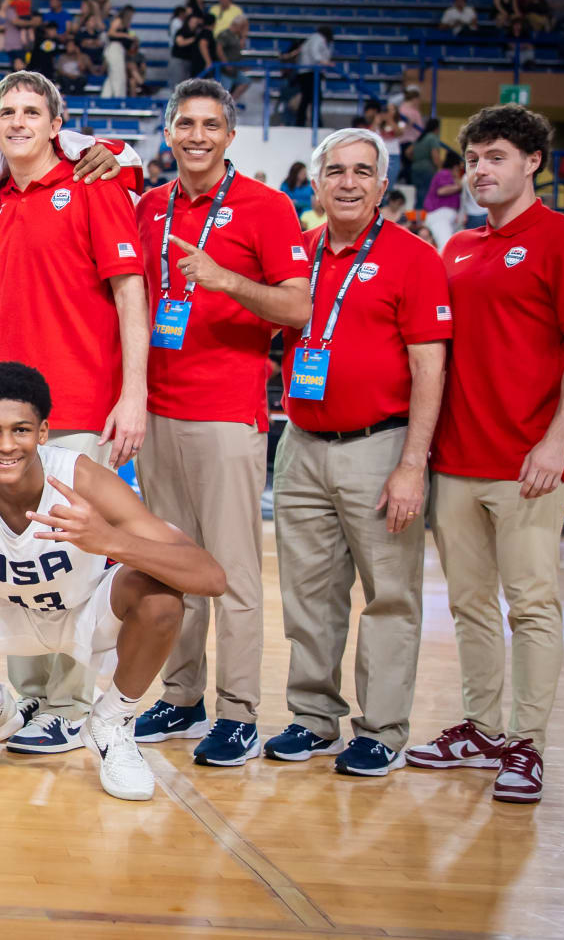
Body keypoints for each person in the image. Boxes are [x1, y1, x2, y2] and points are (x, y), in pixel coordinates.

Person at [0, 362, 228, 800]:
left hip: (85, 617)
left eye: (20, 430)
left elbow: (210, 577)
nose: (6, 445)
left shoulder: (82, 479)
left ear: (43, 433)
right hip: (3, 617)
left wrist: (109, 540)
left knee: (161, 595)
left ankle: (112, 722)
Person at [409, 104, 564, 804]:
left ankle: (528, 743)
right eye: (472, 160)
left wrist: (555, 440)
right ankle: (483, 728)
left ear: (533, 163)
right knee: (469, 607)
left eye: (495, 157)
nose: (479, 171)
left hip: (529, 463)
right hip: (457, 460)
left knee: (531, 605)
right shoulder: (459, 247)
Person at [130, 78, 311, 765]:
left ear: (230, 136)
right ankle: (182, 697)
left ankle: (238, 712)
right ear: (169, 133)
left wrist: (226, 279)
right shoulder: (150, 205)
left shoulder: (267, 207)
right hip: (156, 411)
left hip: (227, 415)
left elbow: (297, 307)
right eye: (185, 124)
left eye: (210, 125)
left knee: (231, 573)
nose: (197, 136)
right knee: (171, 566)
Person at [264, 128, 451, 776]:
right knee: (308, 594)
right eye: (336, 171)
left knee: (390, 596)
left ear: (382, 185)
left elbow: (430, 368)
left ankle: (383, 728)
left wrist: (412, 465)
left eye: (362, 171)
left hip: (380, 446)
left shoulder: (414, 256)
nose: (348, 182)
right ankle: (314, 717)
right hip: (301, 444)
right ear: (316, 184)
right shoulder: (297, 253)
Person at [0, 71, 148, 751]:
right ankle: (30, 693)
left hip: (80, 402)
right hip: (10, 413)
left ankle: (72, 703)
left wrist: (133, 394)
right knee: (18, 556)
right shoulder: (0, 195)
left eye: (32, 111)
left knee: (71, 560)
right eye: (7, 112)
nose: (18, 122)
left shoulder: (93, 186)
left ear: (58, 125)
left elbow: (131, 292)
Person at [283, 26, 333, 126]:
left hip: (307, 72)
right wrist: (324, 62)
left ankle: (304, 122)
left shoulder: (312, 39)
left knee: (307, 98)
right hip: (310, 72)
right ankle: (313, 122)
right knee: (313, 98)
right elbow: (315, 54)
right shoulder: (318, 39)